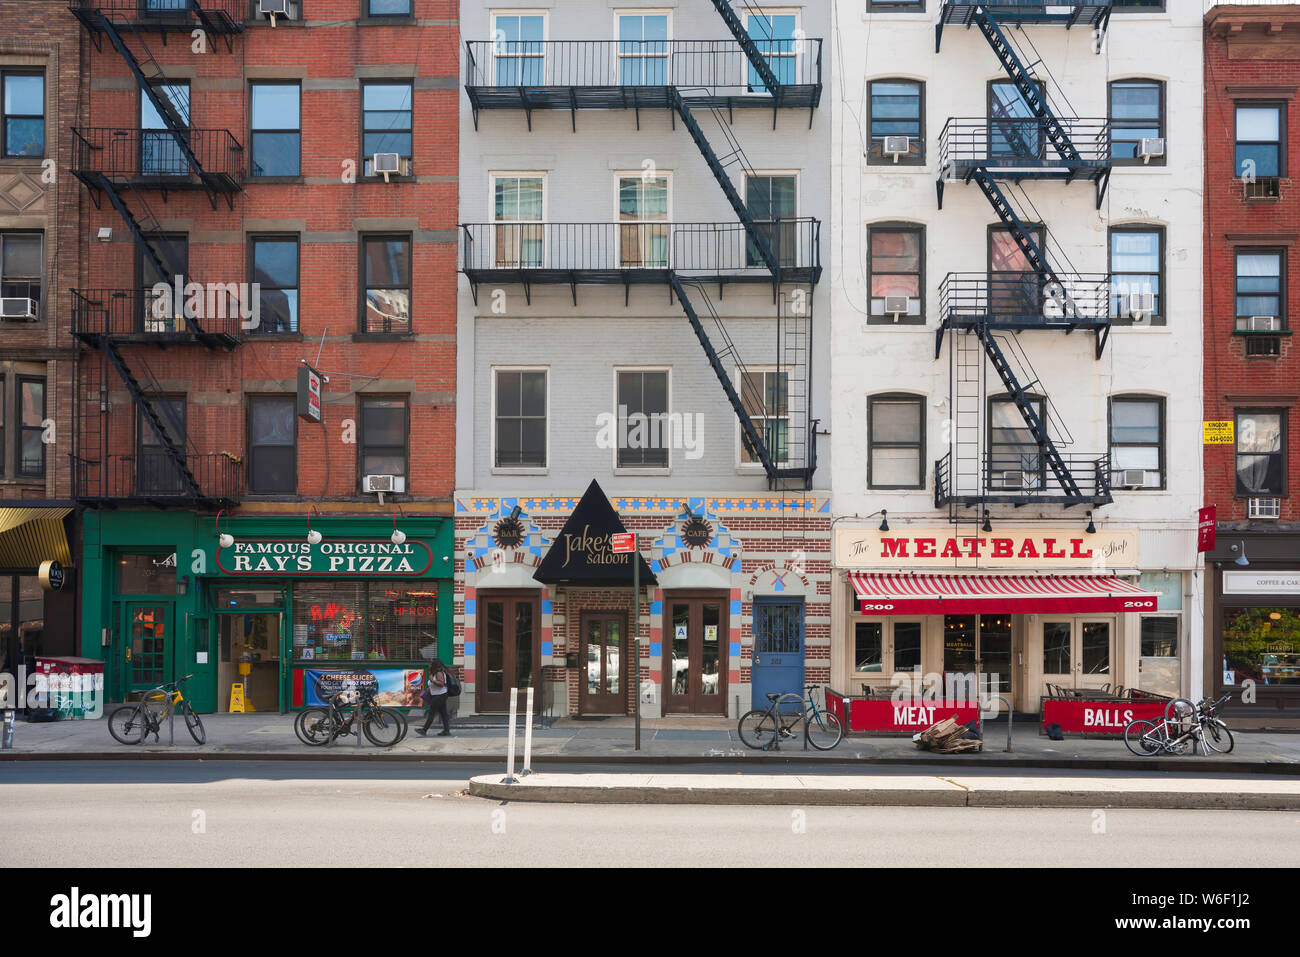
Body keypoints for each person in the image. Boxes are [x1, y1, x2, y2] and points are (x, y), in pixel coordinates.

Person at [416, 658, 451, 736]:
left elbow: (441, 684)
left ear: (434, 665)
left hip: (439, 696)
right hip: (439, 695)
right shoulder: (435, 673)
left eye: (431, 664)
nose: (429, 665)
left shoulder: (439, 673)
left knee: (431, 713)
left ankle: (424, 730)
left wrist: (432, 680)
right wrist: (429, 689)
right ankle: (446, 731)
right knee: (443, 713)